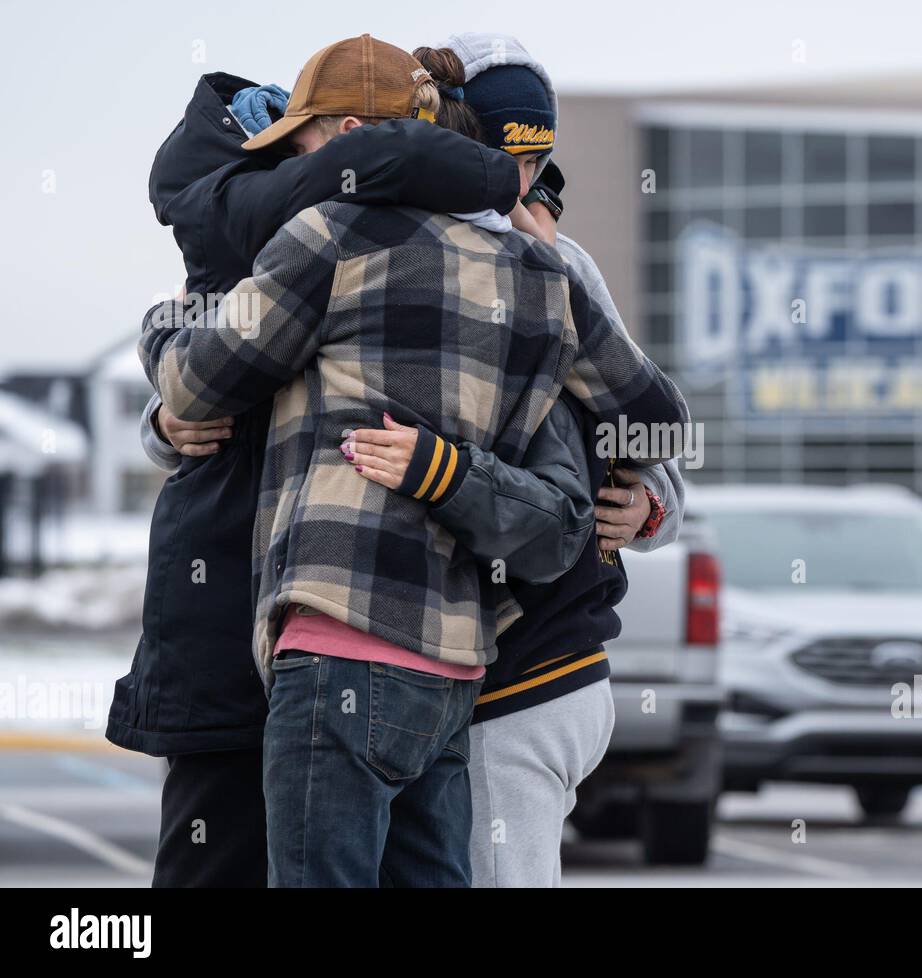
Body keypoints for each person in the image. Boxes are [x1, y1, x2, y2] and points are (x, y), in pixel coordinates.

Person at [140, 34, 689, 887]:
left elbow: (197, 382)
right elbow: (659, 421)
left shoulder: (327, 236)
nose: (291, 165)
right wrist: (647, 491)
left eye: (301, 142)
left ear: (353, 134)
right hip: (459, 663)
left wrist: (166, 329)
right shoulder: (543, 268)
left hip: (342, 637)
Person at [109, 48, 522, 887]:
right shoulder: (255, 205)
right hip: (236, 607)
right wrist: (165, 405)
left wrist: (650, 489)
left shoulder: (413, 242)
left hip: (348, 627)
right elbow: (391, 159)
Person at [343, 34, 689, 887]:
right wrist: (167, 422)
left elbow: (659, 420)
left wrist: (651, 502)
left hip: (533, 666)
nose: (522, 181)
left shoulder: (561, 262)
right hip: (423, 658)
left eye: (540, 159)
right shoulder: (370, 240)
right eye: (505, 156)